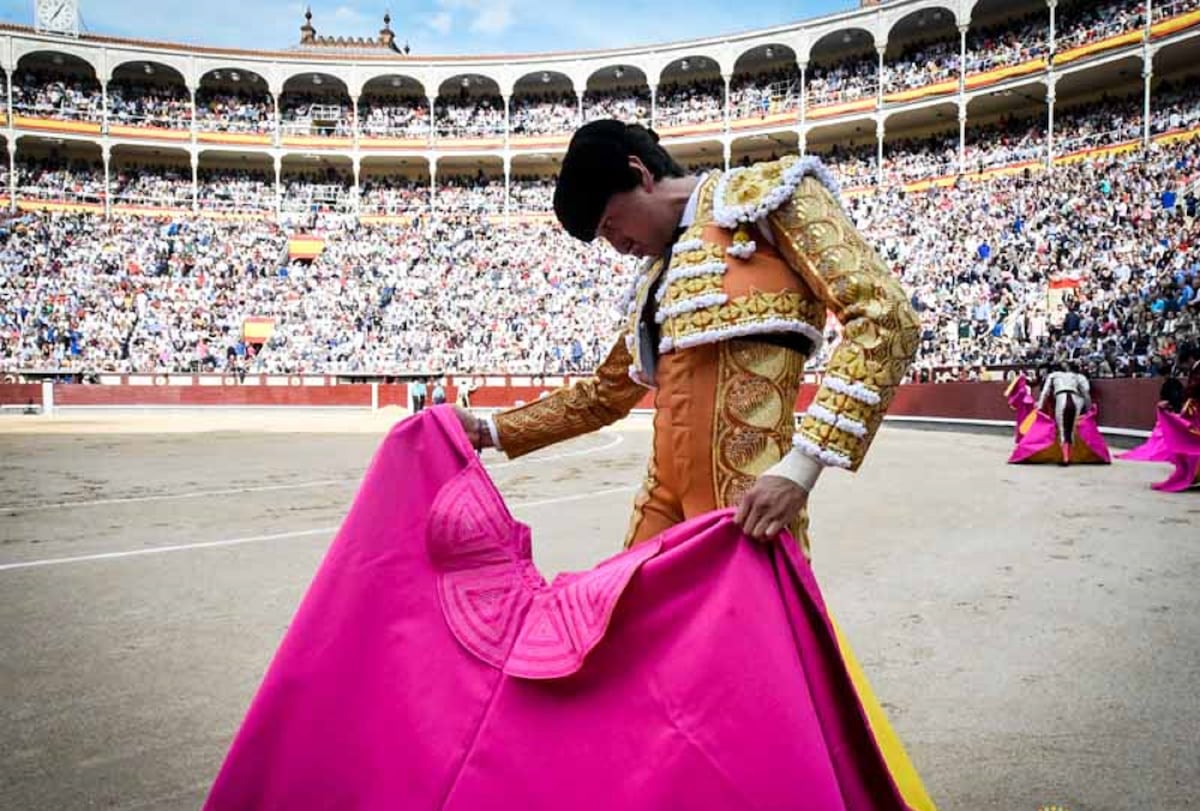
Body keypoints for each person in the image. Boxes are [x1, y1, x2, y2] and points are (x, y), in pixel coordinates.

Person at [454, 119, 931, 806]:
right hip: (661, 513)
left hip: (747, 515)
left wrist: (800, 467)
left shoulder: (771, 199)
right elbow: (602, 395)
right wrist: (492, 429)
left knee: (749, 703)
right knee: (619, 676)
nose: (618, 247)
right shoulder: (655, 279)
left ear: (641, 174)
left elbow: (885, 315)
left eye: (615, 223)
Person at [1037, 362, 1092, 465]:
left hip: (1061, 398)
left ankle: (1065, 457)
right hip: (1075, 400)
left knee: (1062, 429)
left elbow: (1045, 392)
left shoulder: (1053, 375)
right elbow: (1085, 393)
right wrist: (1089, 409)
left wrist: (1040, 406)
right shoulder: (1075, 376)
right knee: (1071, 430)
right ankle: (1069, 456)